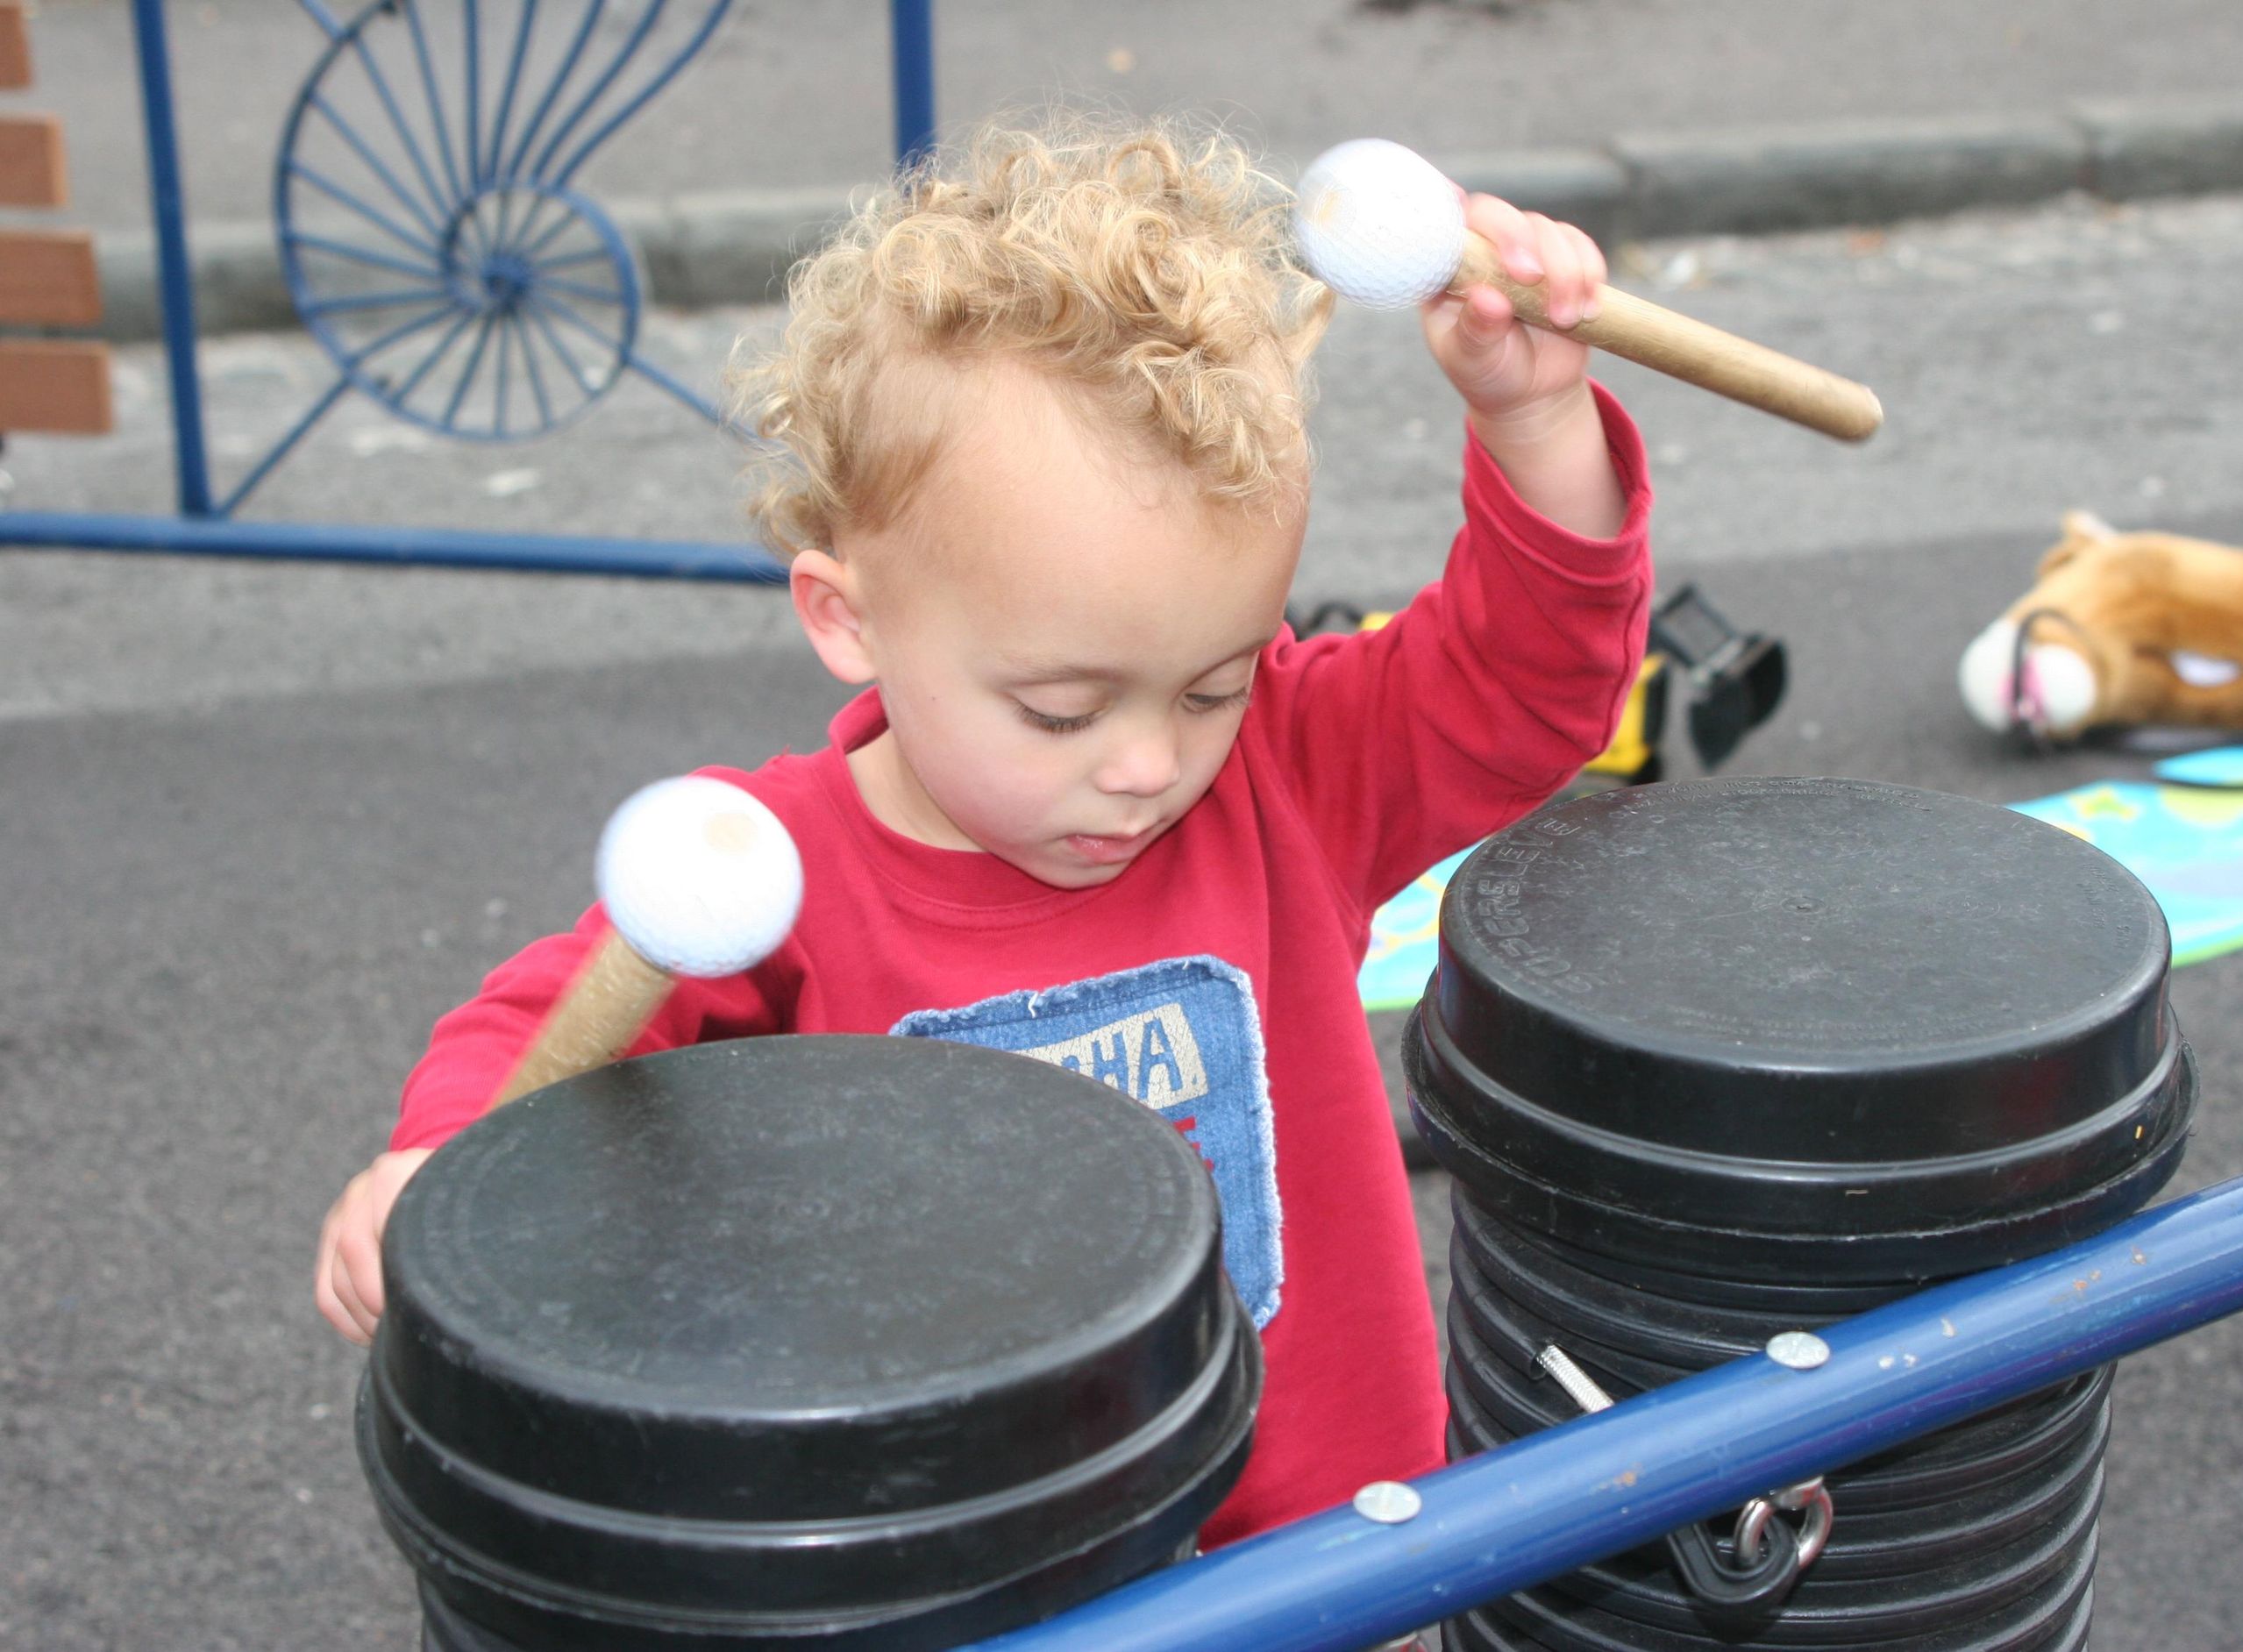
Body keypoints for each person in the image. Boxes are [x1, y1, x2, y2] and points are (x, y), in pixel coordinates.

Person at [313, 112, 1651, 1548]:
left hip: (1328, 1541)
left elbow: (1528, 679)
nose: (1147, 765)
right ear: (847, 616)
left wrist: (1531, 416)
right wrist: (439, 1163)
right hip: (980, 1548)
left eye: (1210, 681)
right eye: (1060, 711)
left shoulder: (1288, 774)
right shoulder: (767, 871)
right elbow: (555, 1033)